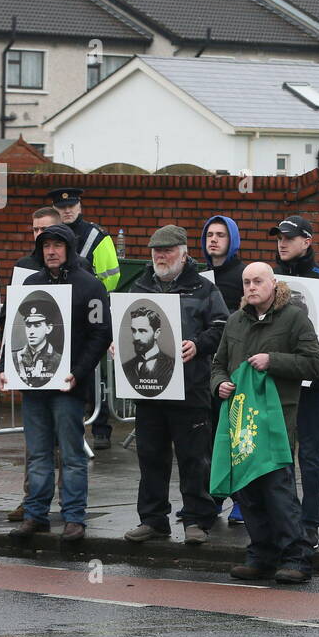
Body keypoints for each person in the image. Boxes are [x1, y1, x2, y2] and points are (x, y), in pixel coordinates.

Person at [211, 263, 319, 583]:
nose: (251, 287)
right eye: (246, 282)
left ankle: (297, 557)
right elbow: (218, 364)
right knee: (247, 490)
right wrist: (218, 384)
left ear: (273, 283)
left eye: (258, 281)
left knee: (277, 489)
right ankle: (261, 554)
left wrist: (272, 360)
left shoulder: (293, 319)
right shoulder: (235, 321)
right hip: (241, 419)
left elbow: (314, 364)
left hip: (276, 419)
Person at [122, 226, 228, 544]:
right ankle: (153, 519)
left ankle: (196, 519)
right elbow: (124, 325)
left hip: (191, 388)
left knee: (194, 457)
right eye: (156, 251)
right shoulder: (139, 286)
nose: (160, 256)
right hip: (149, 390)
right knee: (150, 456)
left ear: (183, 253)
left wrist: (198, 344)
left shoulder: (204, 288)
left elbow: (223, 326)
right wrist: (118, 344)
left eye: (167, 251)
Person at [6, 223, 111, 544]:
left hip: (69, 388)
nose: (51, 251)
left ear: (69, 249)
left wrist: (77, 373)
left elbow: (100, 335)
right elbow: (11, 330)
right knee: (37, 455)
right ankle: (36, 515)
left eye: (57, 245)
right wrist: (4, 368)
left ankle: (74, 518)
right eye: (45, 246)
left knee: (72, 455)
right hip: (34, 387)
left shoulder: (90, 286)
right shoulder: (31, 283)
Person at [272, 215, 319, 550]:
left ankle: (310, 523)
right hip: (274, 382)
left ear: (307, 241)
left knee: (311, 456)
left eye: (289, 238)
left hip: (310, 383)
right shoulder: (268, 279)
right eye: (278, 238)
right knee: (277, 453)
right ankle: (282, 520)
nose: (282, 243)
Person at [48, 187, 120, 450]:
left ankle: (101, 427)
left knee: (94, 371)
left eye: (71, 206)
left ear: (79, 206)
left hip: (89, 312)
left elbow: (111, 276)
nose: (67, 210)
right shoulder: (50, 237)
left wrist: (87, 291)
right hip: (56, 317)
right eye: (61, 206)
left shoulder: (97, 236)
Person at [202, 214, 247, 526]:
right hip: (207, 367)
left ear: (232, 240)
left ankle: (242, 502)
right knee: (211, 438)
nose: (214, 240)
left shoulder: (243, 274)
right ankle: (212, 497)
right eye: (209, 235)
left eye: (220, 235)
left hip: (235, 366)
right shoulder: (199, 276)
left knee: (237, 435)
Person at [121, 306, 176, 396]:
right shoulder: (126, 367)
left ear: (157, 333)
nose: (136, 337)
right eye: (134, 331)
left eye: (142, 331)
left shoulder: (173, 365)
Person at [11, 303, 61, 387]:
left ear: (48, 328)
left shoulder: (58, 359)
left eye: (37, 325)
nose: (31, 331)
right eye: (28, 325)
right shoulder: (14, 357)